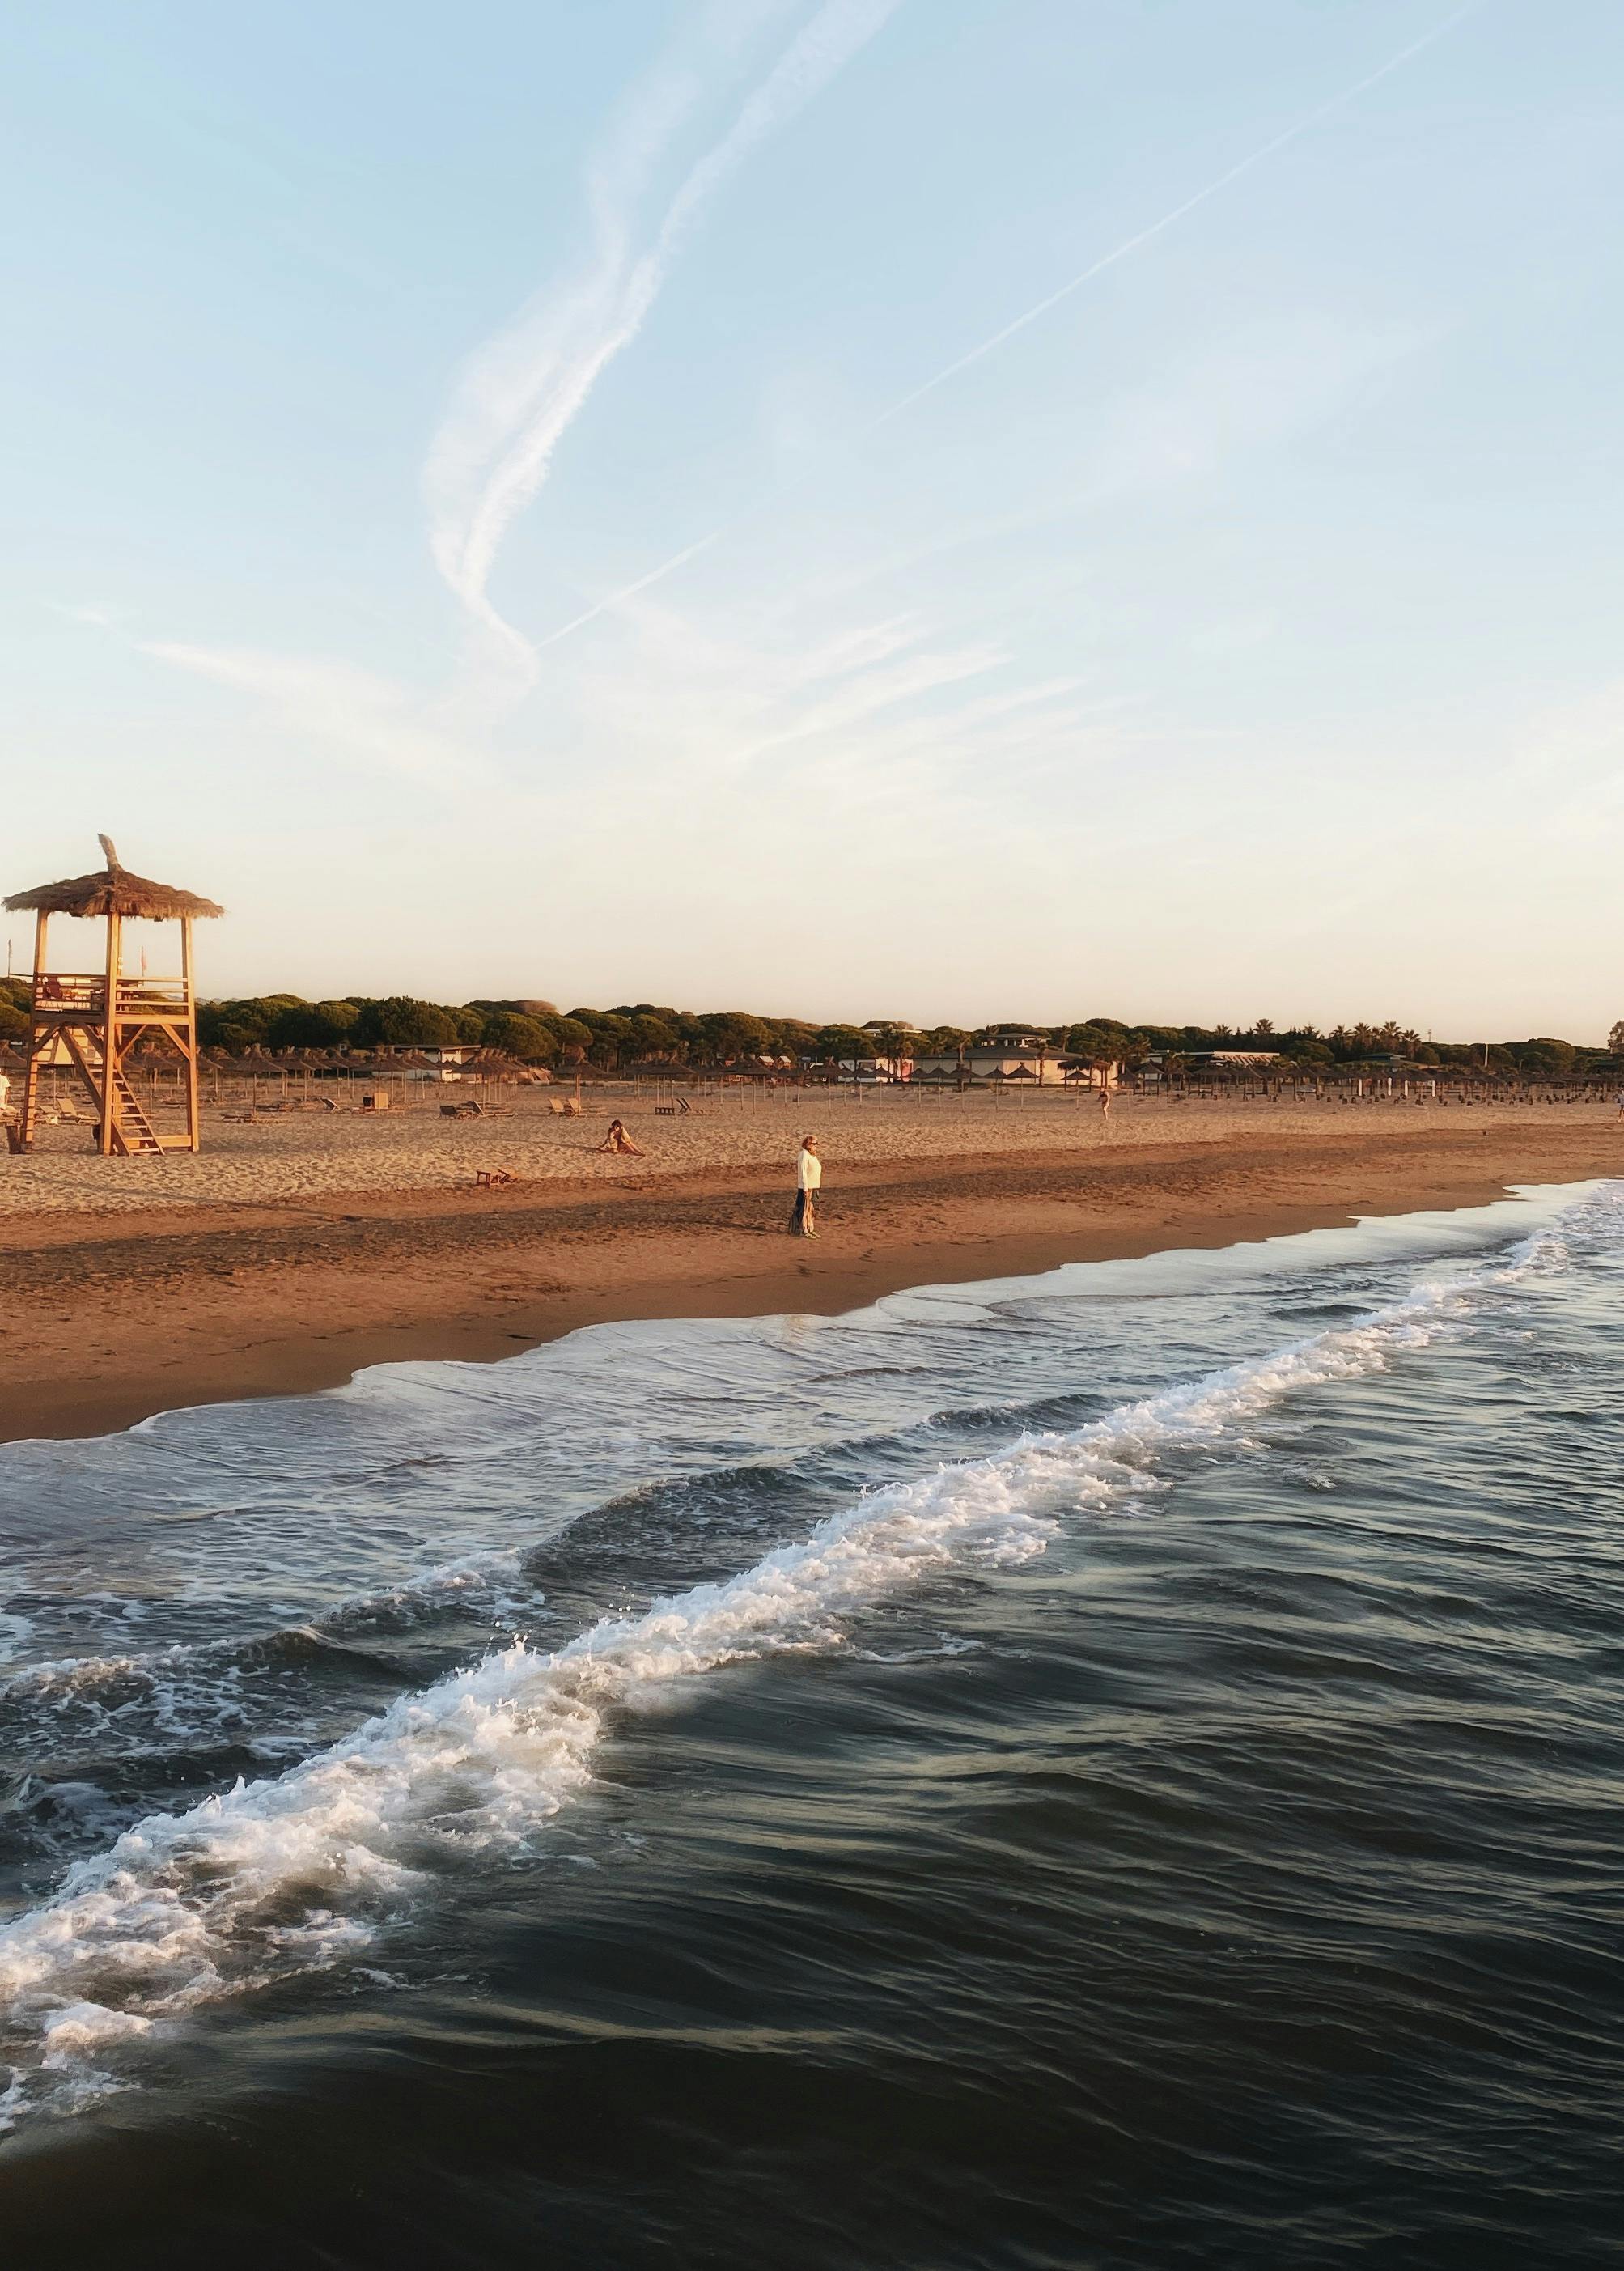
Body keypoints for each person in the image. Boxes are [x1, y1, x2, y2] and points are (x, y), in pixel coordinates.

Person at [791, 1134, 820, 1236]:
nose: (816, 1146)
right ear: (809, 1145)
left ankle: (810, 1228)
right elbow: (803, 1172)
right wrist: (805, 1188)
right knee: (804, 1209)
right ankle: (804, 1230)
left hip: (813, 1186)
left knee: (811, 1209)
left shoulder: (812, 1155)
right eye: (814, 1144)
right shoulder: (804, 1154)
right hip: (806, 1187)